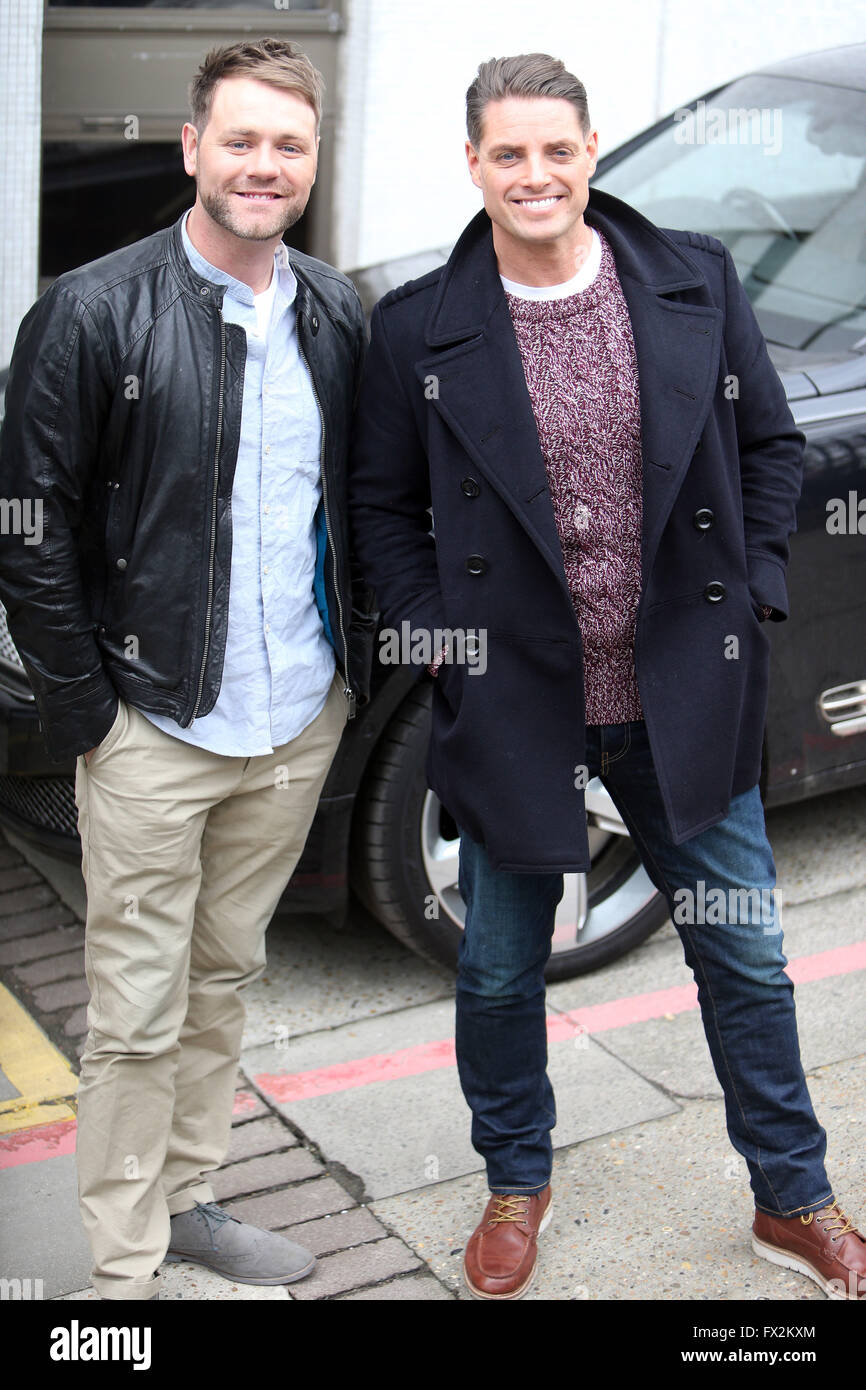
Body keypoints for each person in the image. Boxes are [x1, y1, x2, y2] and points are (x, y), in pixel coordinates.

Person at [348, 52, 866, 1301]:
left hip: (679, 691)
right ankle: (513, 1183)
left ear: (589, 152)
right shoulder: (416, 327)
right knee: (495, 965)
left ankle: (793, 1196)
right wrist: (448, 650)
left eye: (557, 149)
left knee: (740, 955)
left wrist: (751, 602)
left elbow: (766, 447)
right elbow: (380, 513)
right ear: (472, 164)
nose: (536, 173)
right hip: (517, 703)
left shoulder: (690, 279)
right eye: (507, 153)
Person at [0, 37, 371, 1301]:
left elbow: (355, 508)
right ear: (191, 150)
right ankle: (122, 1276)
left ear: (312, 162)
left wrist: (350, 676)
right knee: (136, 1014)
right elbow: (28, 522)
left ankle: (193, 1196)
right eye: (242, 138)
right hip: (153, 723)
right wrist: (87, 713)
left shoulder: (333, 310)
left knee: (224, 978)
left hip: (294, 718)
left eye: (290, 144)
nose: (264, 164)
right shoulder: (93, 309)